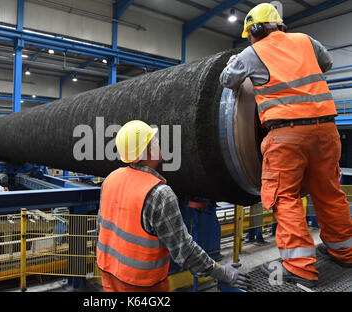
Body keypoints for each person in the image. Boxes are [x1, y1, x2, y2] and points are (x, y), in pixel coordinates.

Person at [219, 3, 352, 287]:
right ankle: (344, 251)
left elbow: (227, 80)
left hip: (287, 134)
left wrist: (236, 64)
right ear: (279, 25)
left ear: (255, 29)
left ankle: (300, 267)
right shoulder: (306, 41)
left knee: (284, 197)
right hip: (327, 130)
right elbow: (325, 63)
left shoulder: (253, 52)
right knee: (329, 192)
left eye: (250, 34)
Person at [96, 120, 251, 292]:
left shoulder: (110, 179)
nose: (158, 143)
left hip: (108, 274)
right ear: (148, 151)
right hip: (142, 285)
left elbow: (101, 229)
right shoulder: (159, 194)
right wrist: (223, 273)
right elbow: (184, 251)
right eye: (154, 140)